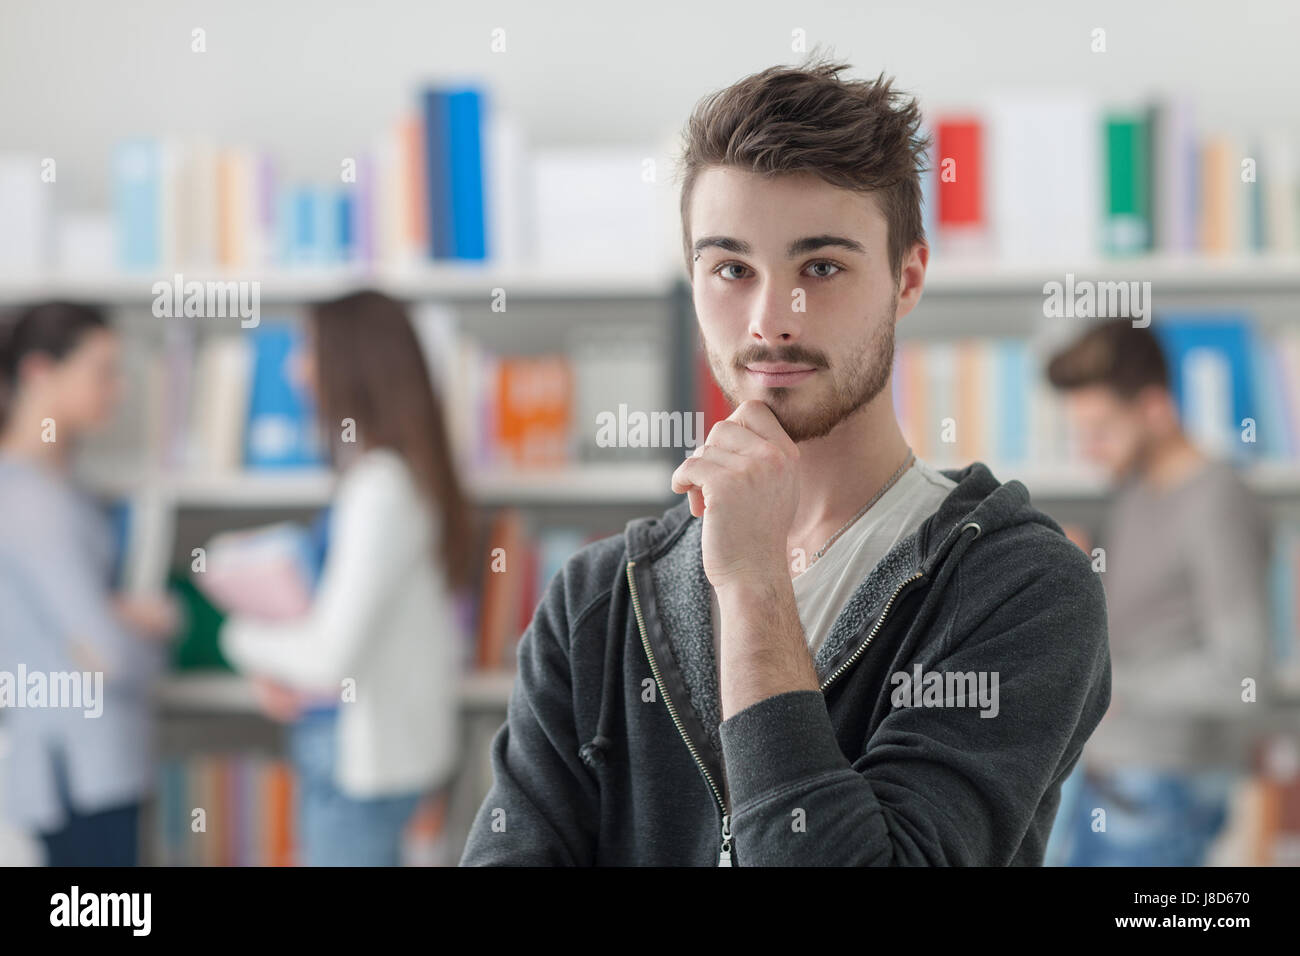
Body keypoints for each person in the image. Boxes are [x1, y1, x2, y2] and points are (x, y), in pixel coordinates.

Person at [459, 55, 1111, 866]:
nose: (771, 320)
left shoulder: (1021, 590)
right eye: (732, 269)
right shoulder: (595, 602)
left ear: (907, 278)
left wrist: (755, 583)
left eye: (822, 267)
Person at [219, 290, 470, 867]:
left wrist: (240, 638)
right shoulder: (399, 478)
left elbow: (330, 654)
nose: (295, 367)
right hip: (376, 750)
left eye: (307, 348)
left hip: (360, 765)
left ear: (350, 363)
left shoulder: (379, 489)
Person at [1043, 320, 1271, 866]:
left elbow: (1244, 676)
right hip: (1113, 781)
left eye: (1100, 430)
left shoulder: (1216, 500)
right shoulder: (1137, 491)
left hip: (1162, 789)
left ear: (1154, 407)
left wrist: (1112, 685)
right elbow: (1150, 625)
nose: (1089, 451)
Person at [0, 302, 174, 866]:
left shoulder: (65, 491)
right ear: (38, 373)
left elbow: (95, 647)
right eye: (102, 371)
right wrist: (155, 627)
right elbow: (111, 657)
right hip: (74, 775)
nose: (118, 390)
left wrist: (114, 627)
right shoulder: (30, 502)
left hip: (97, 769)